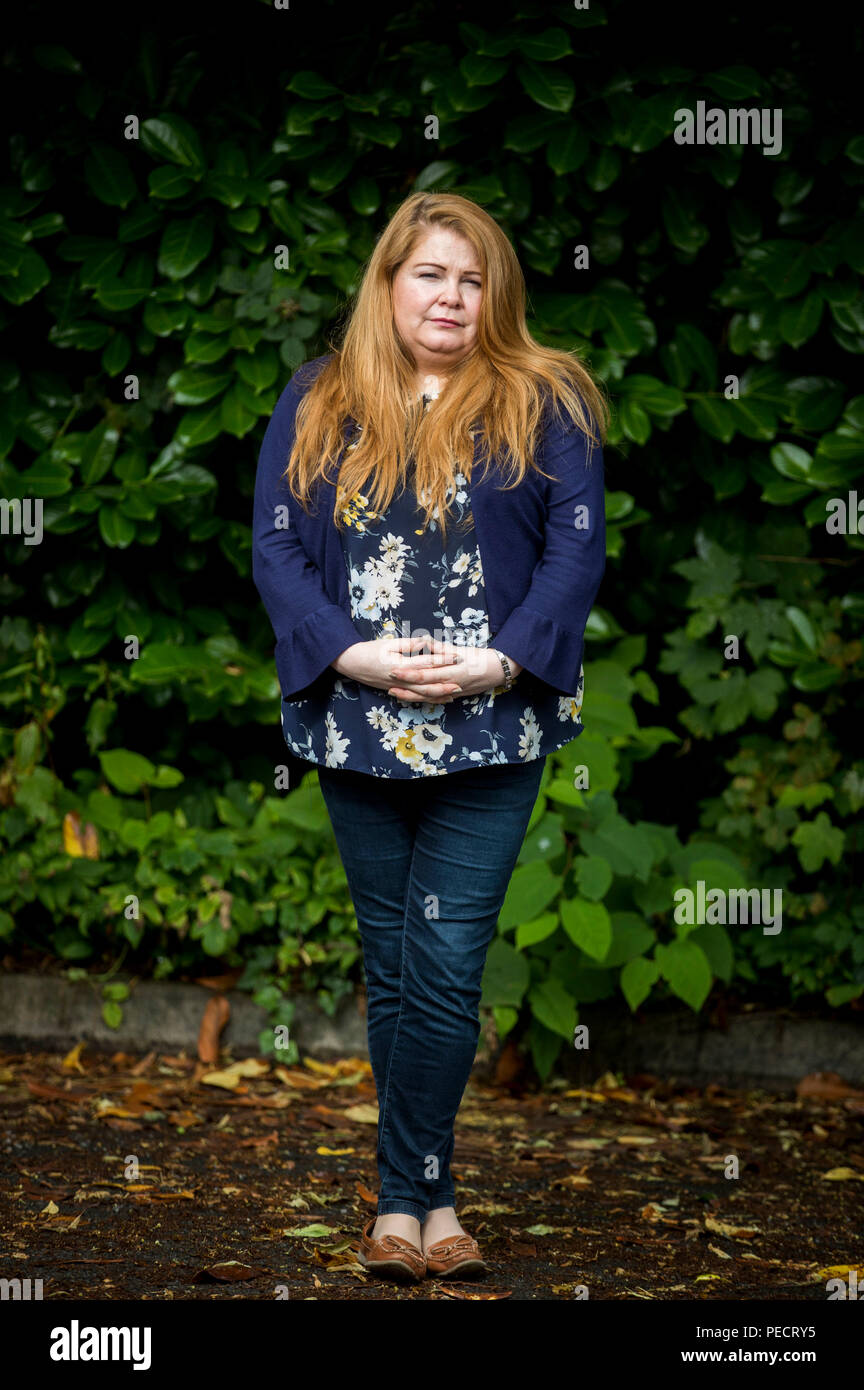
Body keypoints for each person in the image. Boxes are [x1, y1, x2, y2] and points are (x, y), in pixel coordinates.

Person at [252, 191, 608, 1283]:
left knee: (447, 966)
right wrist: (344, 653)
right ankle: (424, 1198)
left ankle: (404, 1197)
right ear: (388, 283)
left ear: (495, 296)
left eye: (471, 279)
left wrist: (504, 660)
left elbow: (575, 553)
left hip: (492, 726)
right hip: (357, 723)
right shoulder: (318, 395)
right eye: (429, 275)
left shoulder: (545, 399)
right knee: (396, 968)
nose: (451, 297)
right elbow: (274, 545)